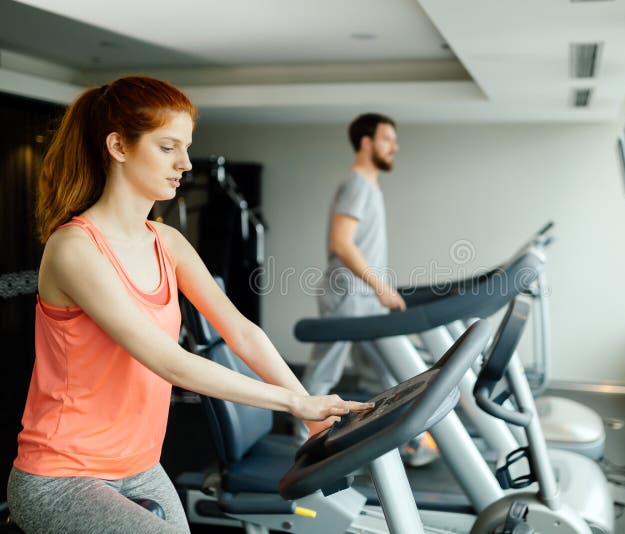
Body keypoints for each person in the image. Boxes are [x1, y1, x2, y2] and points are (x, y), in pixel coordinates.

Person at [5, 76, 371, 534]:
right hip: (62, 476)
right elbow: (171, 363)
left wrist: (311, 407)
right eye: (168, 147)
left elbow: (242, 332)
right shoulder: (75, 248)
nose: (185, 162)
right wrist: (294, 402)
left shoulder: (168, 242)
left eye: (186, 147)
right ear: (118, 146)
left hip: (140, 466)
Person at [294, 113, 438, 466]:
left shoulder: (369, 185)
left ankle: (408, 439)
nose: (395, 146)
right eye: (388, 139)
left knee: (390, 369)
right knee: (326, 371)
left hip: (364, 296)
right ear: (366, 142)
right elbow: (341, 243)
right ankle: (304, 444)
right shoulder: (357, 183)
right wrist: (382, 287)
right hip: (348, 293)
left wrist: (377, 289)